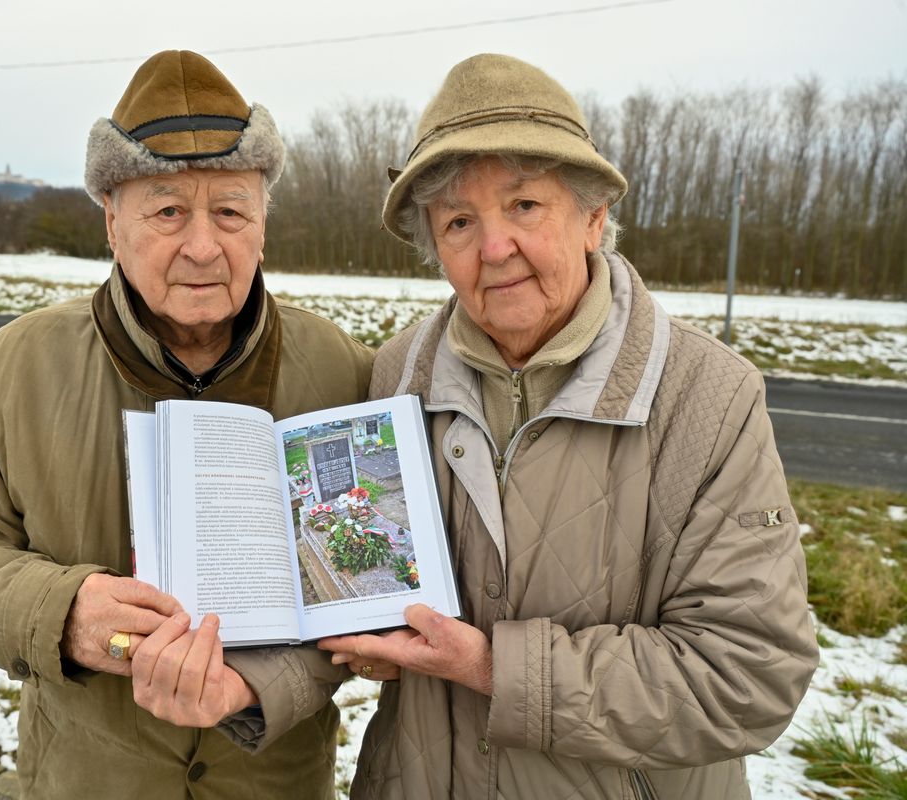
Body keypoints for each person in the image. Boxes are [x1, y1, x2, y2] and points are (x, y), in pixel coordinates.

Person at [318, 53, 818, 799]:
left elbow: (748, 674)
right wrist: (376, 640)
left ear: (593, 217)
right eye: (460, 221)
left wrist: (494, 668)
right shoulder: (398, 376)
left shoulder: (709, 397)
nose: (494, 248)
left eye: (524, 205)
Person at [0, 50, 371, 799]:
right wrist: (61, 613)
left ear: (262, 225)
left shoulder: (343, 372)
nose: (203, 246)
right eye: (167, 210)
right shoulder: (9, 369)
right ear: (112, 222)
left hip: (273, 782)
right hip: (87, 780)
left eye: (230, 211)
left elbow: (368, 587)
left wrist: (263, 684)